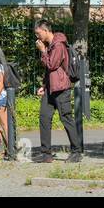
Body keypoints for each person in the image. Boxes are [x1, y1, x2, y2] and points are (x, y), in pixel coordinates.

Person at [34, 20, 81, 163]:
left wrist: (42, 51)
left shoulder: (58, 44)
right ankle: (46, 153)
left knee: (66, 118)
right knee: (44, 118)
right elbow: (49, 70)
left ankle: (76, 151)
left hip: (61, 88)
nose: (37, 37)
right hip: (50, 88)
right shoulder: (51, 45)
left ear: (46, 30)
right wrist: (44, 84)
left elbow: (51, 64)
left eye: (38, 33)